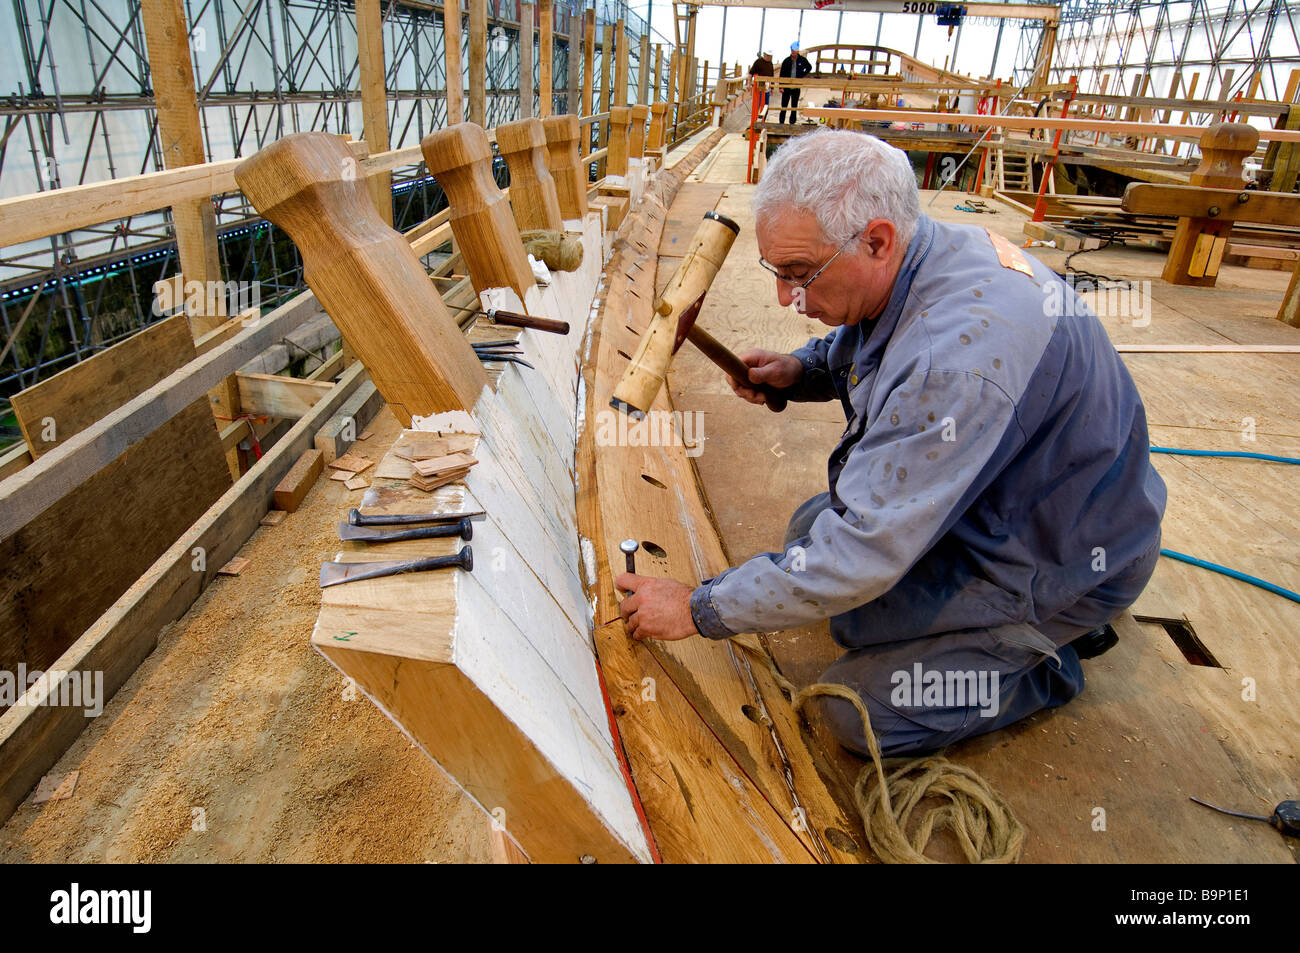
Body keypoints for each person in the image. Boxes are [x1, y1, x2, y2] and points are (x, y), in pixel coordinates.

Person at [616, 129, 1167, 757]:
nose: (786, 298)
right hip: (1021, 505)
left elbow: (860, 553)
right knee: (812, 534)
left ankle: (1045, 659)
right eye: (777, 272)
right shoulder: (929, 250)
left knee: (858, 711)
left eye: (800, 274)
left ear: (877, 240)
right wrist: (805, 371)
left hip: (1065, 558)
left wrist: (699, 609)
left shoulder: (956, 364)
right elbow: (882, 329)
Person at [778, 43, 813, 124]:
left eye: (794, 51)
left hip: (796, 86)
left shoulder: (802, 60)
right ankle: (781, 122)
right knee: (784, 105)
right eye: (792, 51)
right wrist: (781, 86)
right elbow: (782, 74)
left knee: (794, 105)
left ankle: (792, 122)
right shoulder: (786, 61)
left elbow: (809, 67)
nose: (793, 53)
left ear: (797, 51)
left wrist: (802, 75)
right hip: (786, 86)